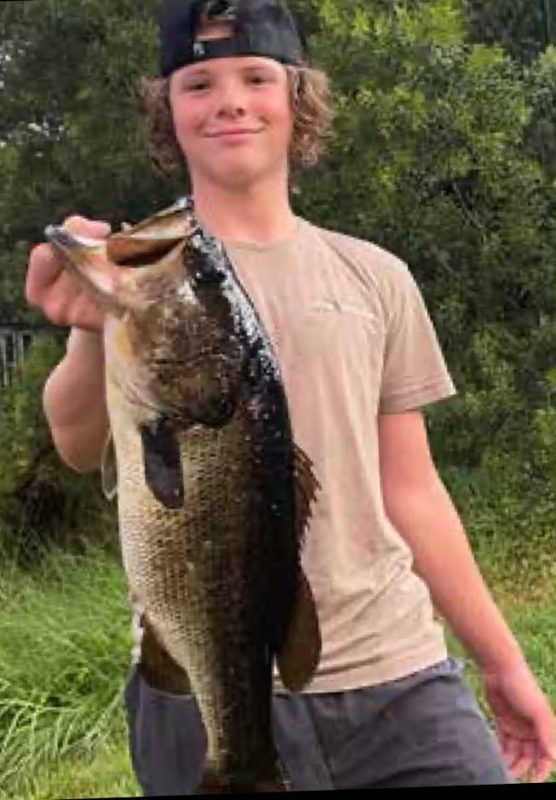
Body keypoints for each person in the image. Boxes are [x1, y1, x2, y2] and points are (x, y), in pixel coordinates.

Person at [26, 0, 556, 793]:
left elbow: (412, 488)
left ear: (296, 100)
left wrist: (502, 660)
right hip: (202, 683)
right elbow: (76, 443)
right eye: (197, 82)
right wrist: (93, 327)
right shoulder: (138, 271)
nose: (230, 100)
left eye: (256, 77)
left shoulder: (375, 275)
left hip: (399, 671)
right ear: (166, 113)